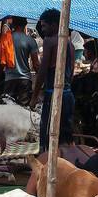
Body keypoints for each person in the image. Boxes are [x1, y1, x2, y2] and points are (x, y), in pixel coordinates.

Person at [31, 9, 75, 153]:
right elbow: (72, 72)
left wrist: (34, 96)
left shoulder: (50, 41)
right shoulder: (69, 43)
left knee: (48, 135)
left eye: (44, 26)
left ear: (55, 25)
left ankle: (48, 165)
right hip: (68, 95)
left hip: (54, 96)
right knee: (65, 136)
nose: (42, 30)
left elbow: (43, 72)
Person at [4, 17, 39, 102]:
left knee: (7, 108)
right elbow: (36, 64)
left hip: (9, 79)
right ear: (25, 25)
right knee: (23, 109)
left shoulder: (6, 39)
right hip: (25, 80)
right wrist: (41, 80)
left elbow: (1, 61)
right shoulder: (30, 40)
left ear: (14, 24)